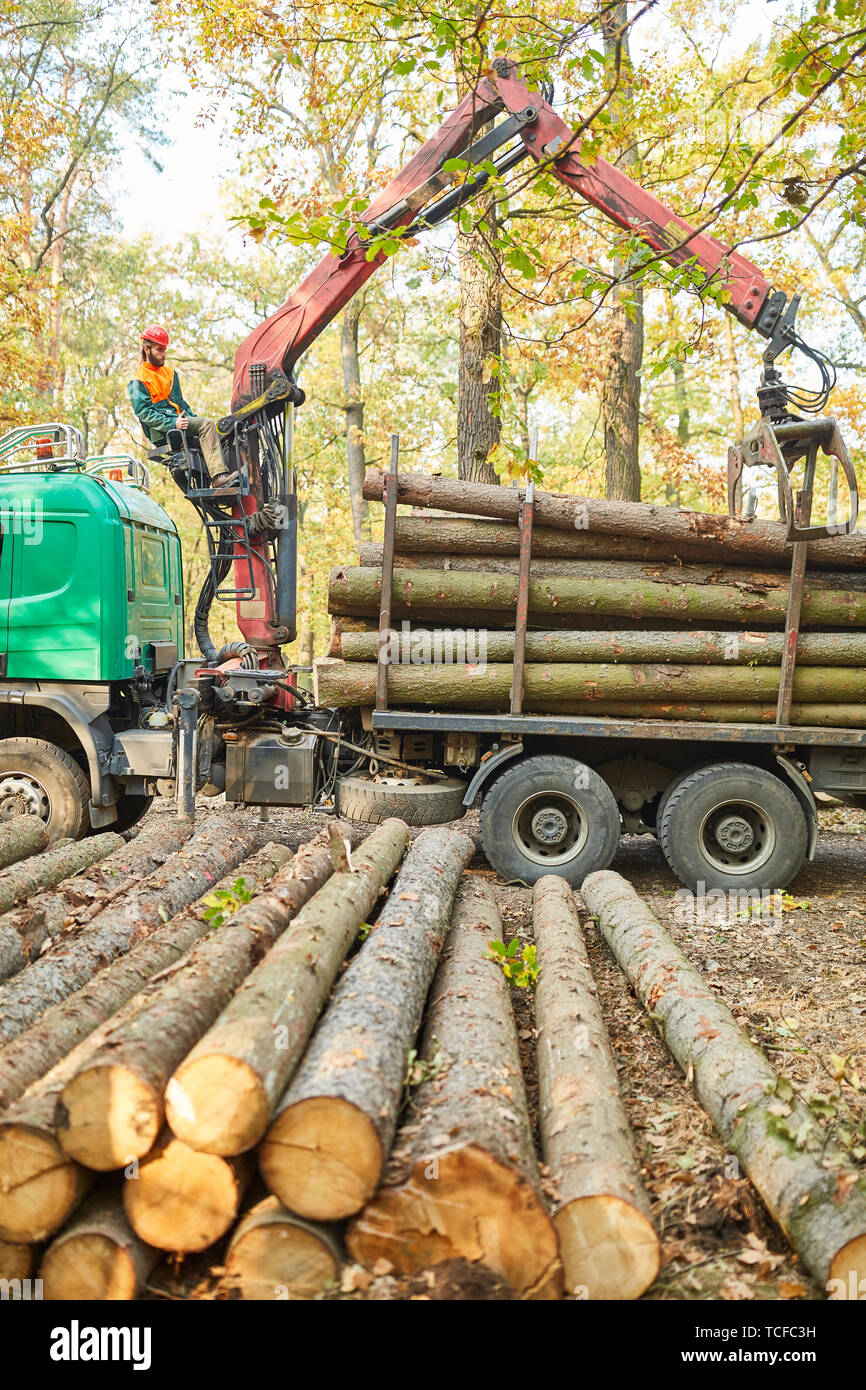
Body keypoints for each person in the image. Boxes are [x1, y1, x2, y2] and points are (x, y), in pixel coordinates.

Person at [128, 325, 236, 487]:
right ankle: (218, 478)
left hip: (181, 422)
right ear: (147, 349)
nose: (164, 354)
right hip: (164, 431)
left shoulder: (170, 373)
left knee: (225, 435)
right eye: (159, 350)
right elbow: (144, 413)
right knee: (206, 424)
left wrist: (193, 419)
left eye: (165, 349)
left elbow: (180, 403)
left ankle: (230, 478)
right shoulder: (139, 379)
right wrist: (174, 423)